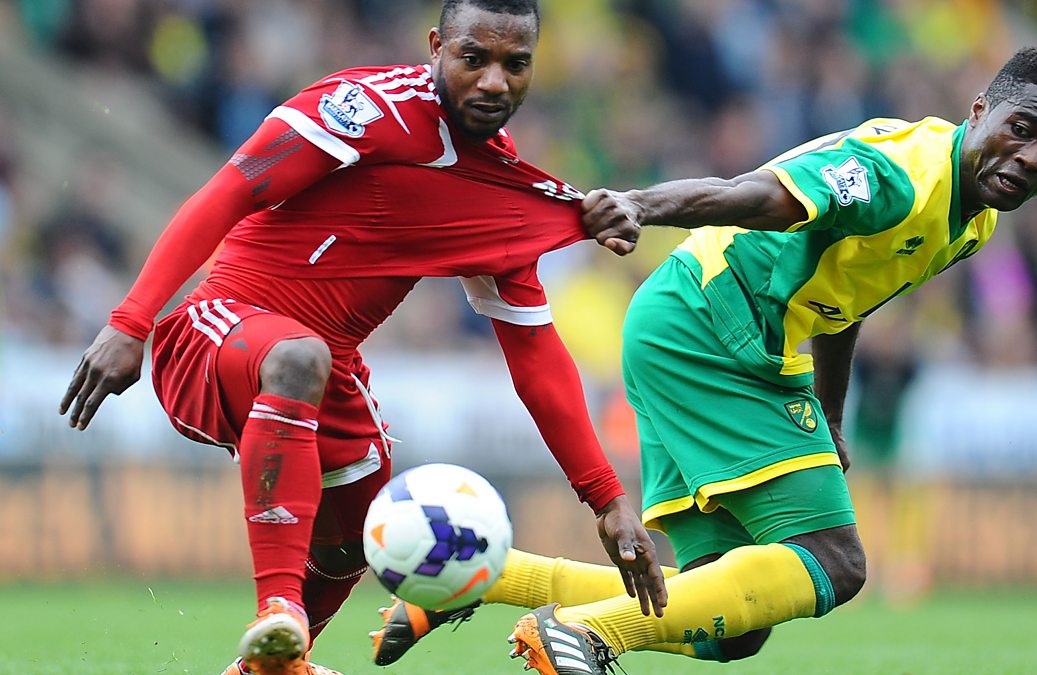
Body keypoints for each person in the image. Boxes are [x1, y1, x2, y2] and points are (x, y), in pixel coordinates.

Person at [56, 1, 667, 674]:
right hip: (215, 329)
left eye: (514, 64)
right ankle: (276, 607)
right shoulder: (366, 109)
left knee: (361, 525)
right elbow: (229, 192)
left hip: (326, 374)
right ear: (436, 46)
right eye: (474, 58)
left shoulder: (497, 189)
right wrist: (130, 321)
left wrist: (607, 499)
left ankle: (274, 664)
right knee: (298, 356)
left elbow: (536, 356)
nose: (494, 81)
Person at [498, 45, 1037, 674]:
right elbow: (756, 195)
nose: (1031, 158)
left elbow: (847, 296)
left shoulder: (973, 220)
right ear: (979, 112)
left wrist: (831, 414)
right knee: (837, 560)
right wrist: (642, 205)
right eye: (1021, 130)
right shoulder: (903, 175)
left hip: (696, 326)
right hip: (710, 325)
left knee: (728, 627)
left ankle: (479, 574)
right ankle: (585, 634)